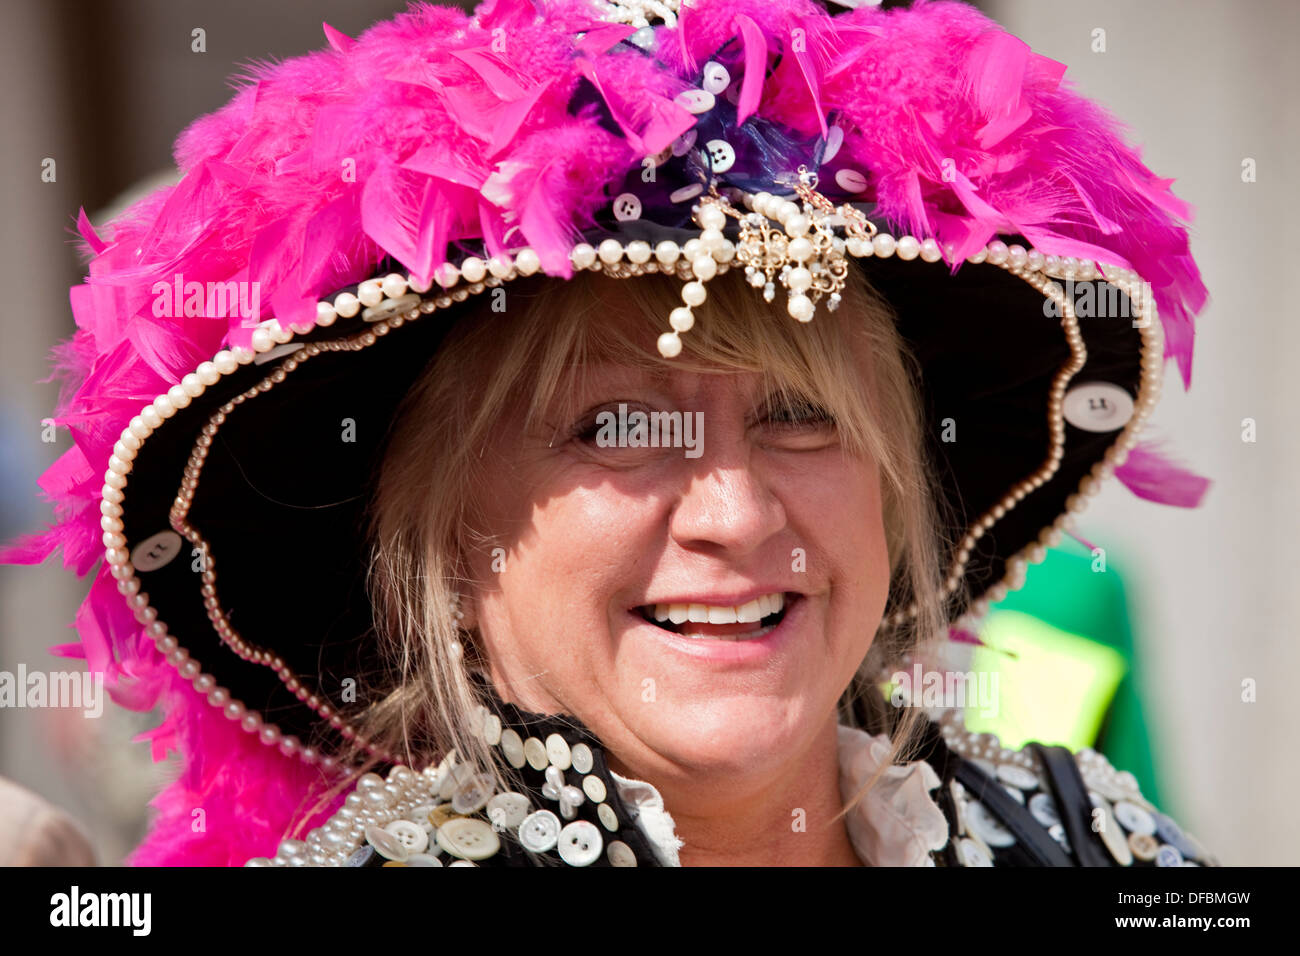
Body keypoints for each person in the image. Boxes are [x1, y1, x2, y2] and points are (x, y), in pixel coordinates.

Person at [2, 0, 1216, 867]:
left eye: (804, 420)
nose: (736, 514)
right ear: (439, 532)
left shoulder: (1099, 843)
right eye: (615, 430)